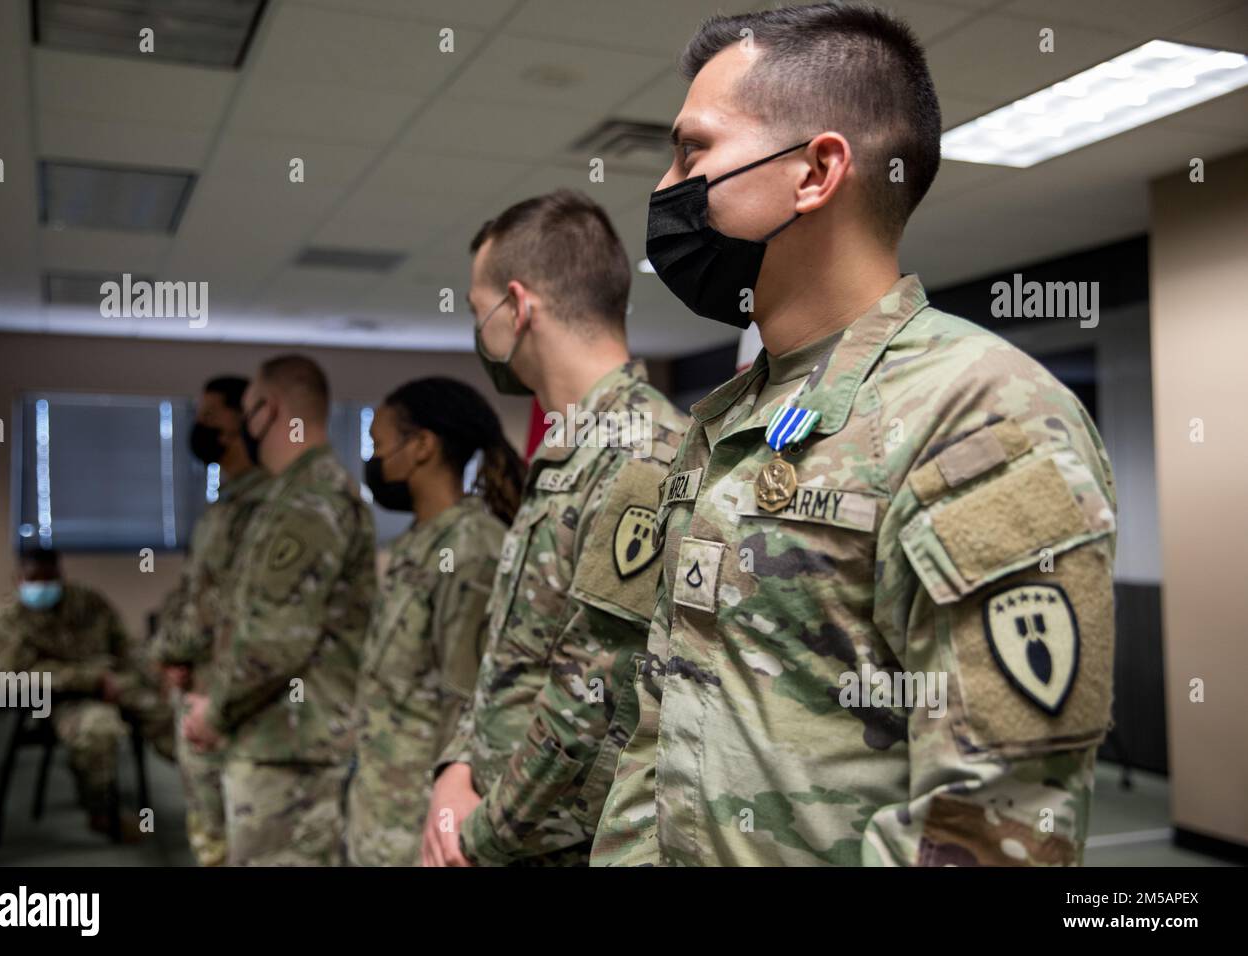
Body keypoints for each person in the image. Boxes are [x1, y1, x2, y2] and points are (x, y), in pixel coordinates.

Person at [592, 2, 1117, 867]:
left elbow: (989, 823)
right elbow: (661, 723)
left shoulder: (980, 410)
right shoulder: (724, 420)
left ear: (814, 172)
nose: (664, 188)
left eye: (694, 152)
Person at [420, 189, 689, 867]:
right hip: (503, 822)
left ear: (519, 306)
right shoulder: (567, 448)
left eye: (482, 314)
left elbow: (591, 691)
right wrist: (456, 769)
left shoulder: (642, 449)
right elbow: (512, 653)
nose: (482, 334)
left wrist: (478, 837)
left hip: (556, 844)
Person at [182, 354, 377, 866]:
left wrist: (215, 710)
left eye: (247, 411)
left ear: (268, 410)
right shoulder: (292, 492)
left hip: (292, 746)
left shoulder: (309, 500)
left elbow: (275, 640)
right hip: (276, 737)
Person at [346, 377, 524, 866]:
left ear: (422, 446)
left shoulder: (470, 549)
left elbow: (466, 702)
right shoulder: (419, 540)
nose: (375, 460)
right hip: (383, 801)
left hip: (422, 820)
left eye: (380, 445)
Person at [152, 375, 268, 866]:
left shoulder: (263, 505)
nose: (197, 427)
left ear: (241, 421)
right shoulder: (222, 504)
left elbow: (224, 610)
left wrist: (171, 652)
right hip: (198, 688)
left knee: (238, 837)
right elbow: (190, 594)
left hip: (233, 699)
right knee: (208, 830)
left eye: (208, 417)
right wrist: (169, 656)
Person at [0, 548, 169, 835]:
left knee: (175, 716)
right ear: (18, 579)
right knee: (98, 730)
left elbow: (125, 646)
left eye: (50, 577)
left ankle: (209, 794)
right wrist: (90, 679)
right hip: (59, 701)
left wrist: (154, 675)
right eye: (35, 578)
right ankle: (103, 813)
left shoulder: (87, 601)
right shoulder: (5, 620)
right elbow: (19, 676)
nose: (43, 585)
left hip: (116, 685)